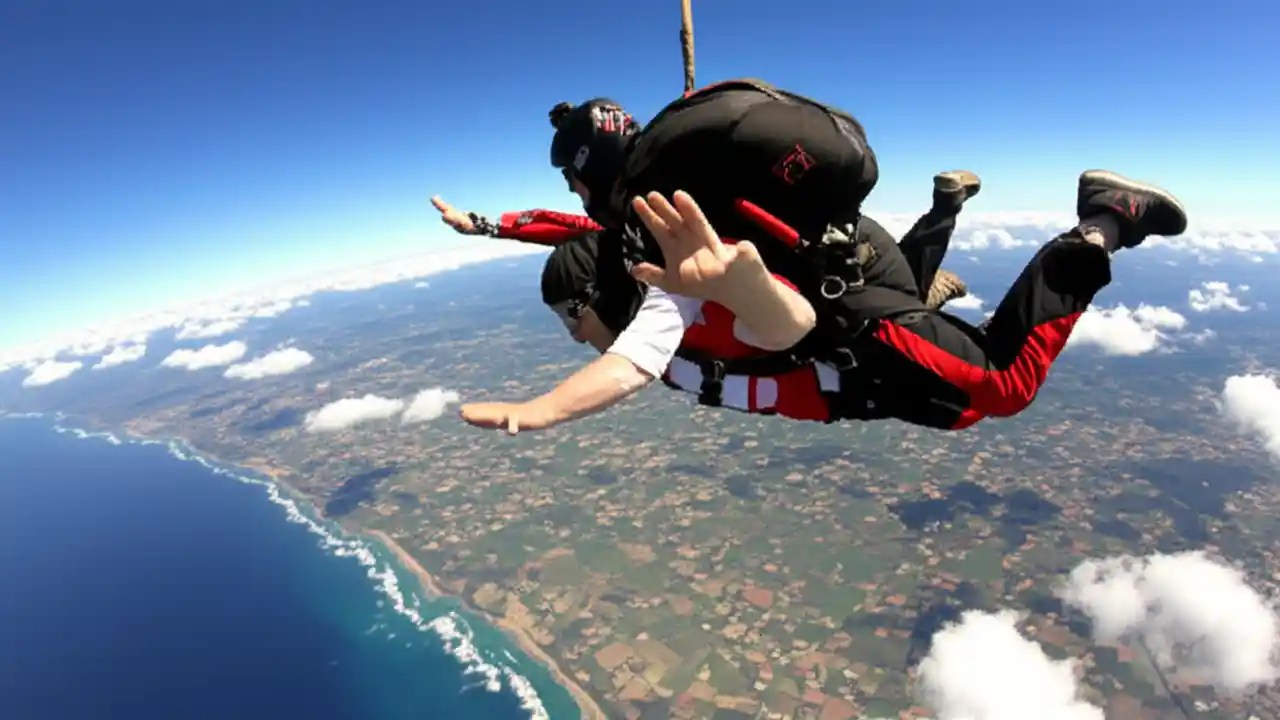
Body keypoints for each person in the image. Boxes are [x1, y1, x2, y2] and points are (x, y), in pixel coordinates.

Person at [456, 79, 1187, 434]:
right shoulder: (658, 214)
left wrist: (542, 409)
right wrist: (490, 227)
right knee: (946, 398)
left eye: (574, 176)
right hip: (852, 277)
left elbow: (764, 328)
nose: (576, 195)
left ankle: (1101, 224)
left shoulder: (656, 252)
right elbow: (570, 232)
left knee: (1001, 385)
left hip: (843, 308)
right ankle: (943, 217)